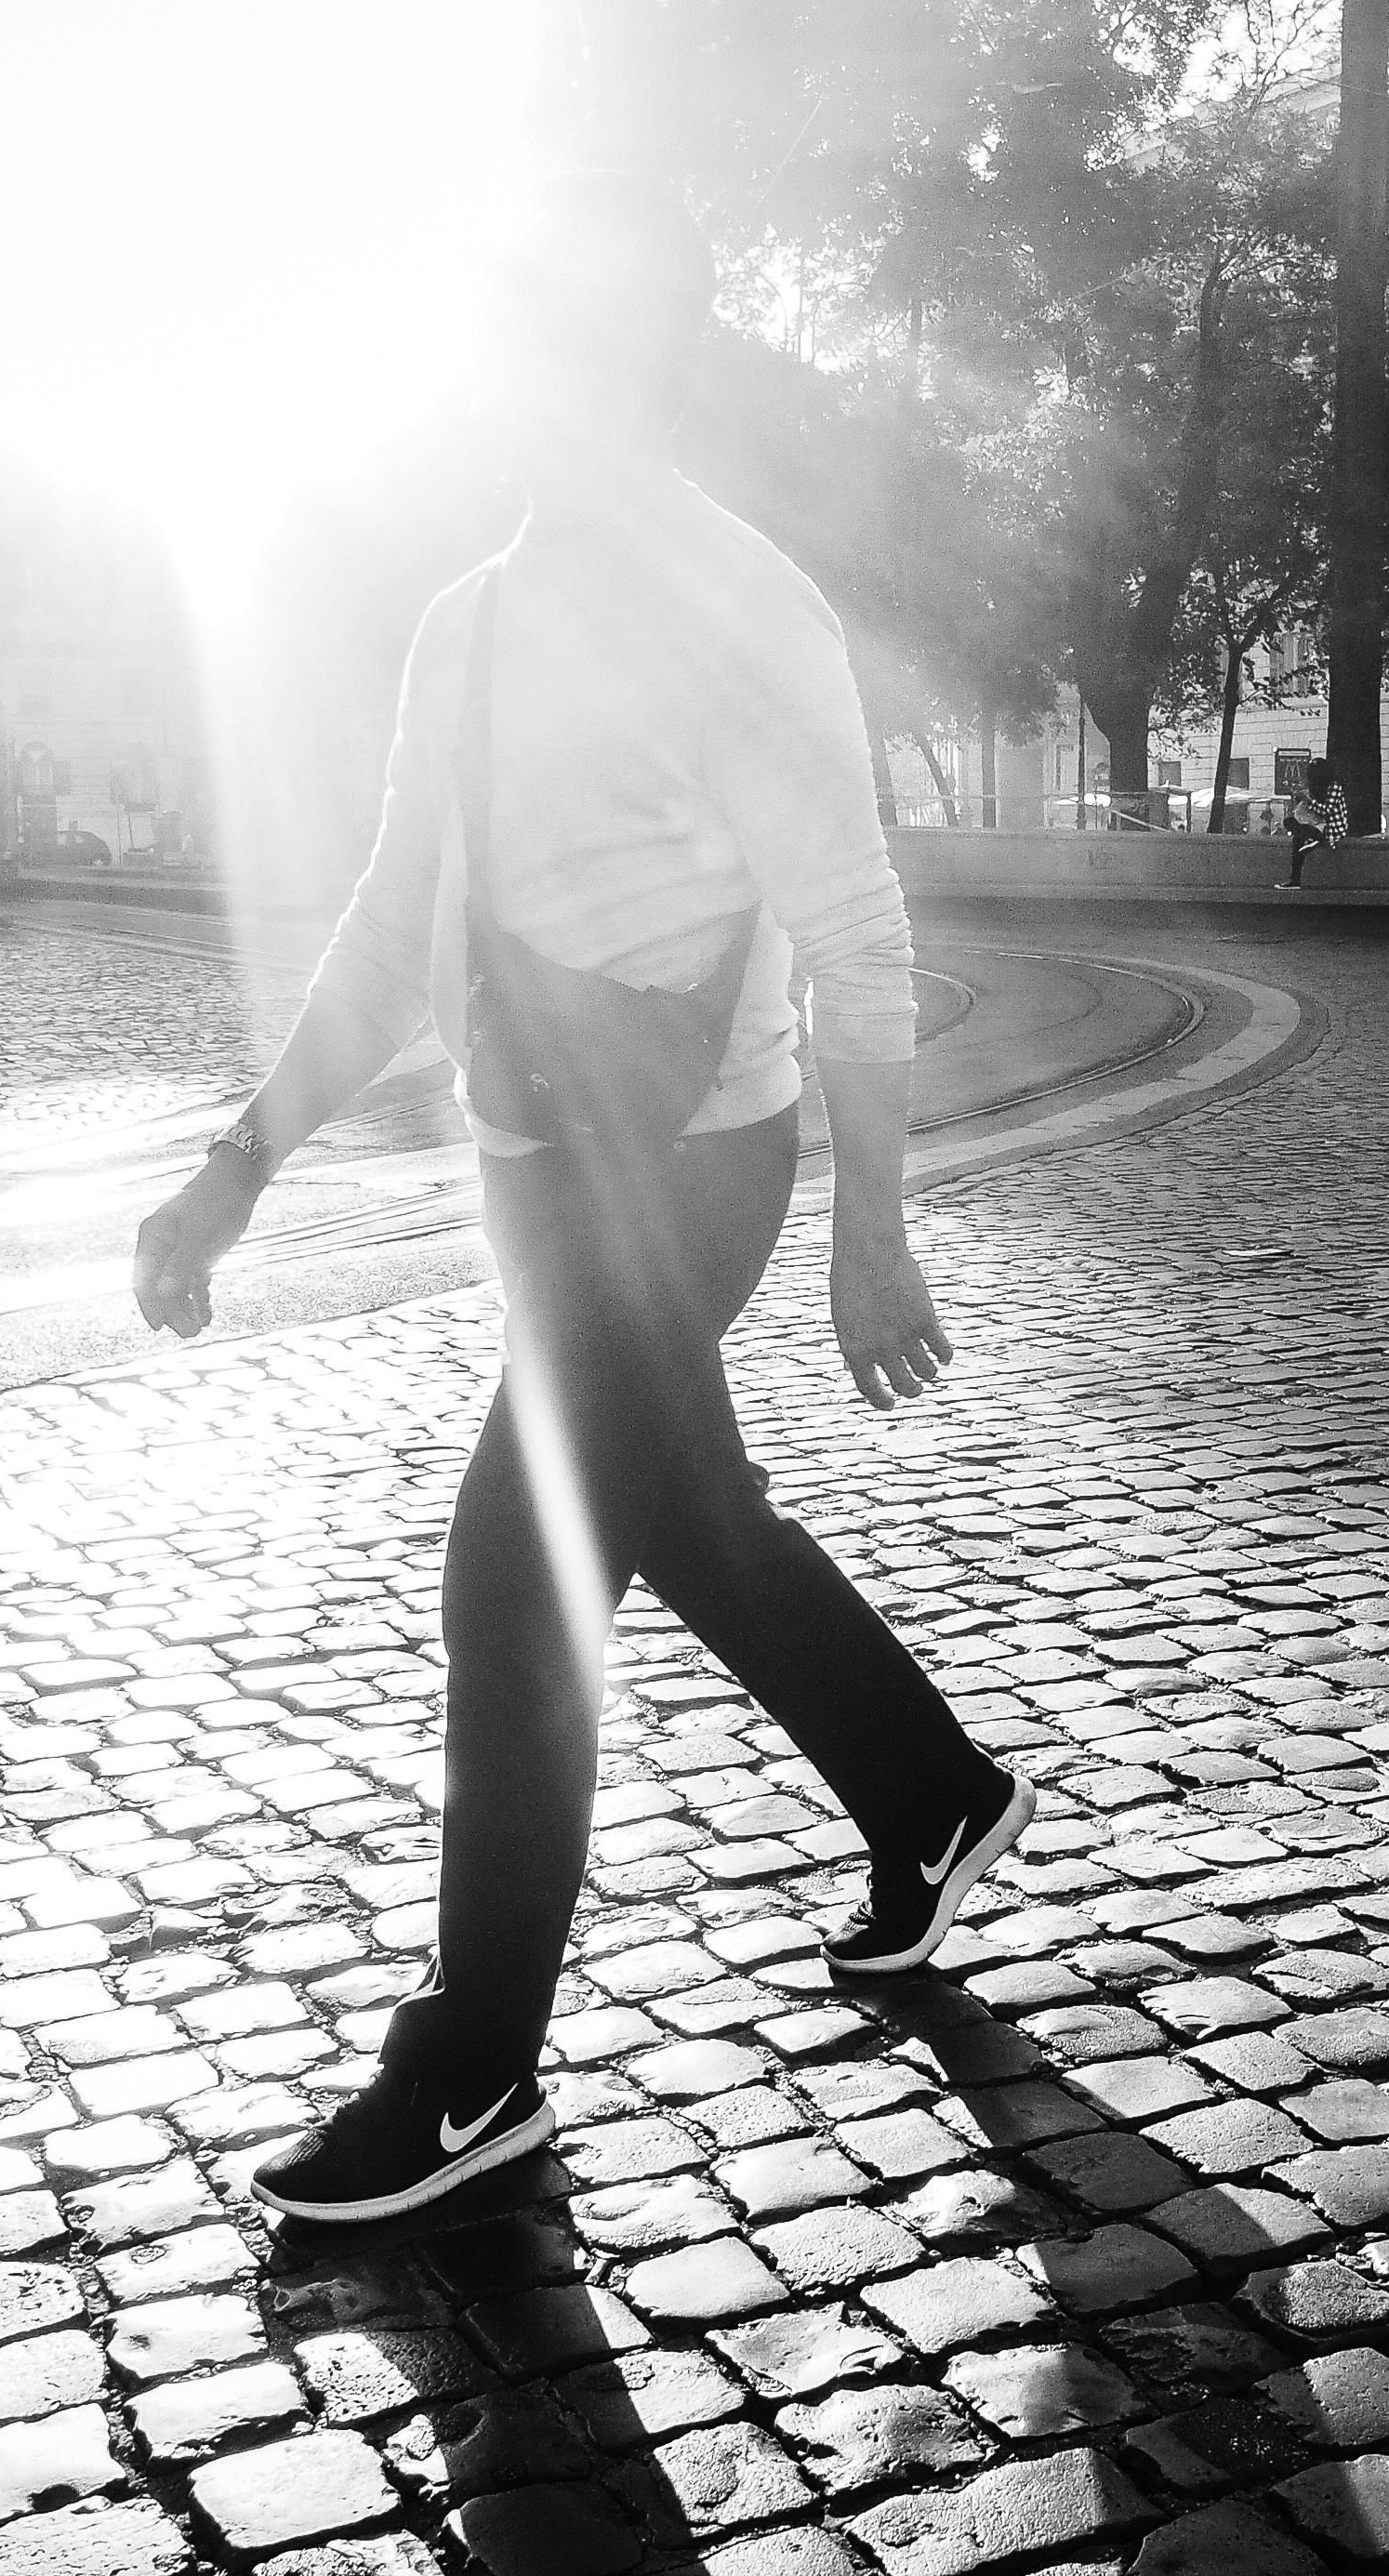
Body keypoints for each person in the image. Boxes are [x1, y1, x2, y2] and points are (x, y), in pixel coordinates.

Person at [127, 171, 1026, 2230]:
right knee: (692, 1530)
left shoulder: (740, 606)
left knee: (514, 1575)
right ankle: (933, 1794)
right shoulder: (475, 616)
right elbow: (388, 924)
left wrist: (871, 1225)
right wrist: (238, 1160)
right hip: (538, 1169)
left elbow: (858, 929)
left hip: (698, 1165)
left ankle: (471, 2073)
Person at [1277, 760, 1339, 889]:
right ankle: (1295, 879)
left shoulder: (1326, 791)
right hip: (1307, 828)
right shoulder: (1306, 797)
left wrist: (1307, 799)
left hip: (1320, 828)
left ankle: (1315, 839)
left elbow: (1324, 812)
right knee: (1295, 836)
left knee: (1299, 836)